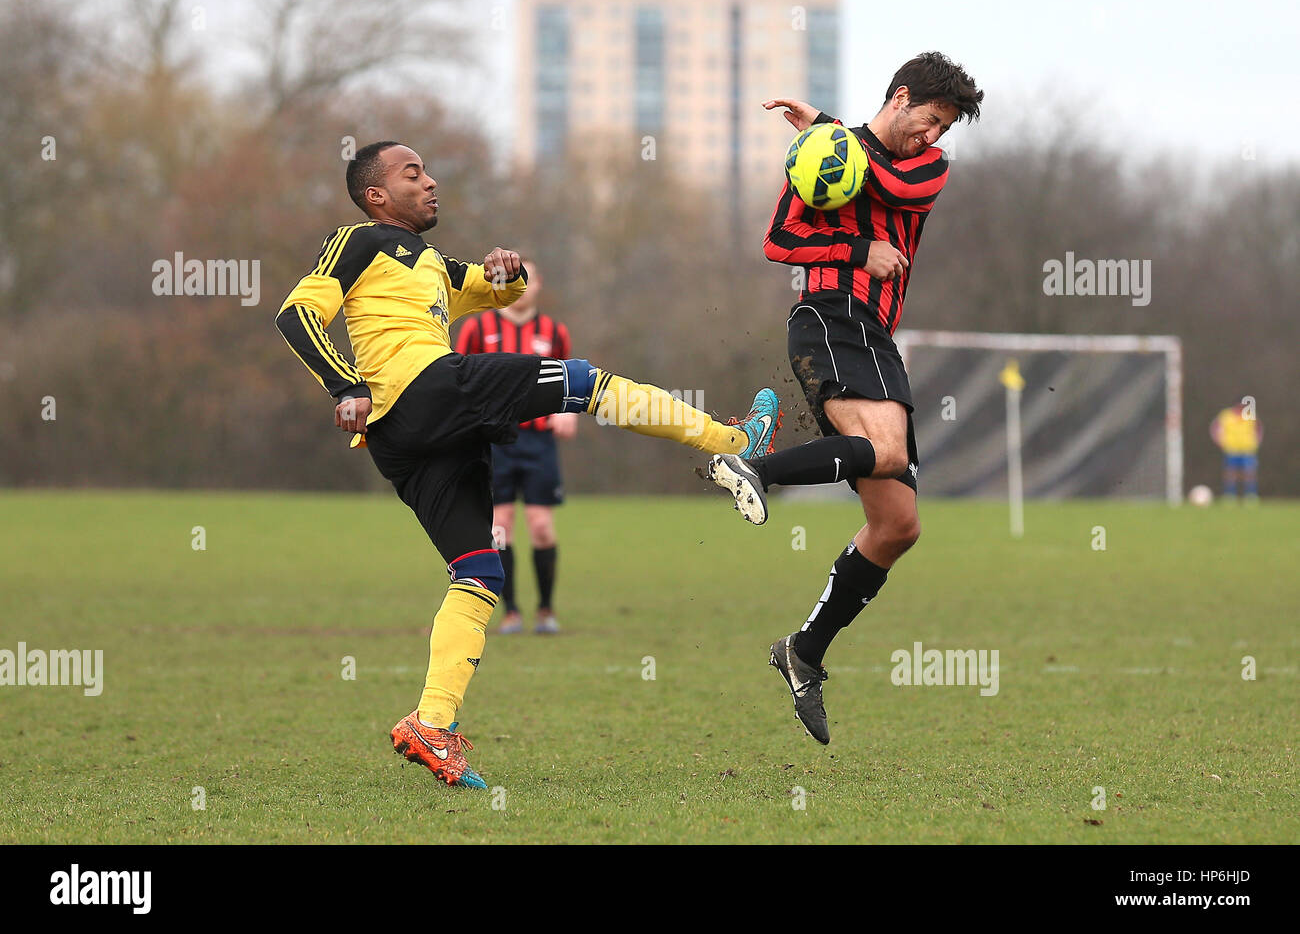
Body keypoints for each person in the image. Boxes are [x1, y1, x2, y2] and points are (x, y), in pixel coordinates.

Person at [275, 141, 780, 788]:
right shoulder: (357, 241)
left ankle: (433, 722)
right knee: (580, 380)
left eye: (427, 170)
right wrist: (344, 385)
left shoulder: (426, 260)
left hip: (405, 435)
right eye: (413, 174)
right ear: (376, 195)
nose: (430, 182)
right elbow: (297, 313)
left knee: (479, 572)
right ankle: (732, 445)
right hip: (423, 389)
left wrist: (506, 273)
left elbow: (485, 292)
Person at [705, 53, 983, 745]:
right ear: (902, 95)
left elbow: (882, 174)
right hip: (829, 318)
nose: (933, 135)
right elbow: (779, 240)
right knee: (886, 451)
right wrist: (859, 251)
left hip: (872, 333)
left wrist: (828, 129)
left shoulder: (927, 167)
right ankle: (750, 464)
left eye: (944, 127)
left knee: (897, 526)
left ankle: (803, 652)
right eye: (930, 118)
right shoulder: (822, 156)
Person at [455, 259, 575, 635]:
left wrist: (569, 412)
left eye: (528, 278)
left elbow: (569, 378)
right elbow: (456, 377)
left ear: (538, 284)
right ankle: (510, 612)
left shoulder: (554, 331)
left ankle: (545, 610)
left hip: (537, 441)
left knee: (540, 527)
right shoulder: (478, 327)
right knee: (500, 526)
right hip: (493, 439)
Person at [1210, 402, 1262, 502]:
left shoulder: (1250, 416)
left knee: (1249, 473)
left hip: (1247, 449)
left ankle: (1250, 495)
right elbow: (1215, 428)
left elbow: (1259, 429)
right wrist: (1220, 441)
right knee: (1230, 473)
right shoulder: (1226, 415)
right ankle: (1230, 496)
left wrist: (1256, 442)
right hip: (1231, 449)